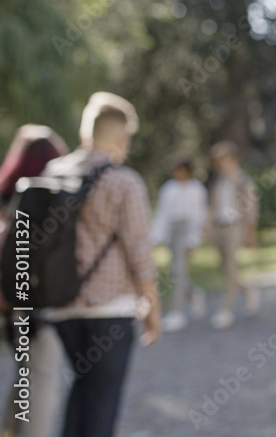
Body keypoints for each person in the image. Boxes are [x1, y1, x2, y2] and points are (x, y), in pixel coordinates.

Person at [42, 92, 161, 437]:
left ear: (86, 133)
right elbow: (139, 252)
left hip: (61, 307)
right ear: (122, 138)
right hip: (110, 309)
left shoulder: (53, 173)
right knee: (102, 402)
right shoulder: (124, 181)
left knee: (81, 391)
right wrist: (152, 307)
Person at [0, 125, 69, 437]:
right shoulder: (56, 201)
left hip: (7, 304)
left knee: (20, 377)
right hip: (38, 307)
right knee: (38, 379)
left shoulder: (6, 198)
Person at [149, 157, 208, 333]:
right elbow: (163, 213)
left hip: (187, 229)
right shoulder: (168, 189)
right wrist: (155, 237)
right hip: (173, 232)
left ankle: (178, 313)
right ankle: (194, 294)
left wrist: (193, 240)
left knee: (177, 270)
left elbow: (200, 216)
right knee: (177, 270)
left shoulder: (197, 189)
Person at [206, 141, 259, 330]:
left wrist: (250, 233)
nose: (221, 163)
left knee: (229, 265)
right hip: (220, 227)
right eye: (218, 160)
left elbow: (251, 210)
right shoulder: (218, 181)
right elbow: (213, 206)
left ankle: (225, 310)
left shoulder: (243, 181)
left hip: (236, 227)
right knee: (225, 268)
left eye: (224, 159)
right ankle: (246, 291)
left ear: (233, 159)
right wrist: (208, 224)